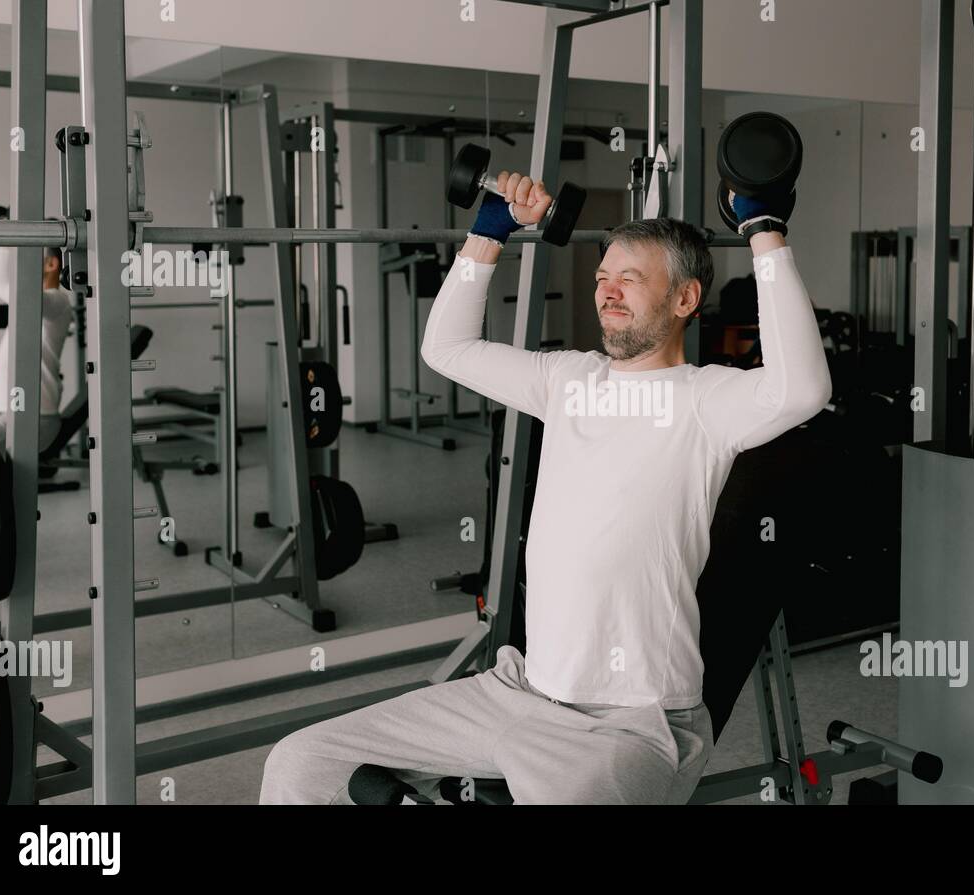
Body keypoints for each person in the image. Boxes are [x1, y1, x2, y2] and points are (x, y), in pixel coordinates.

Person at [260, 170, 830, 805]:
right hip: (518, 692)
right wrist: (489, 231)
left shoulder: (707, 399)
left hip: (629, 722)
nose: (608, 294)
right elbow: (446, 348)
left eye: (630, 280)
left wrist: (763, 233)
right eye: (602, 279)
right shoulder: (567, 380)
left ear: (686, 300)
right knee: (304, 762)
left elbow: (803, 389)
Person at [0, 210, 75, 454]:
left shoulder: (57, 300)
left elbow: (4, 287)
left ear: (51, 264)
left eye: (33, 249)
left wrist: (6, 239)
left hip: (33, 420)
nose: (23, 257)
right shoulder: (34, 304)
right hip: (3, 415)